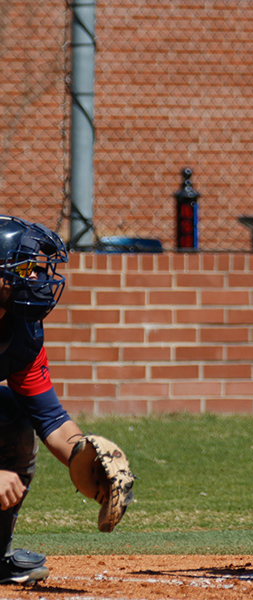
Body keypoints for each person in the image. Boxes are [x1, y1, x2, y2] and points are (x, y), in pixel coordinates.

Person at [0, 215, 85, 585]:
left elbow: (48, 417)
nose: (38, 279)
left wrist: (92, 462)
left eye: (38, 268)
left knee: (11, 416)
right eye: (26, 269)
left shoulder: (22, 329)